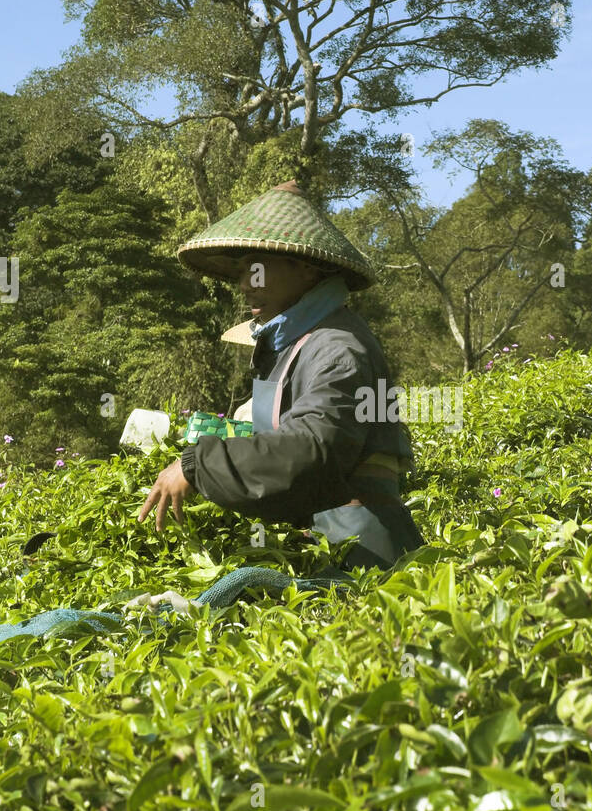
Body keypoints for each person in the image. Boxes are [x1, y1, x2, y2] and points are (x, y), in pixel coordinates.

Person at [138, 179, 426, 572]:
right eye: (241, 272)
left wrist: (198, 465)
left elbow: (311, 450)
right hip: (328, 539)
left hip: (363, 551)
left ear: (305, 267)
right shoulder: (299, 344)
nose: (244, 285)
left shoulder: (339, 349)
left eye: (256, 270)